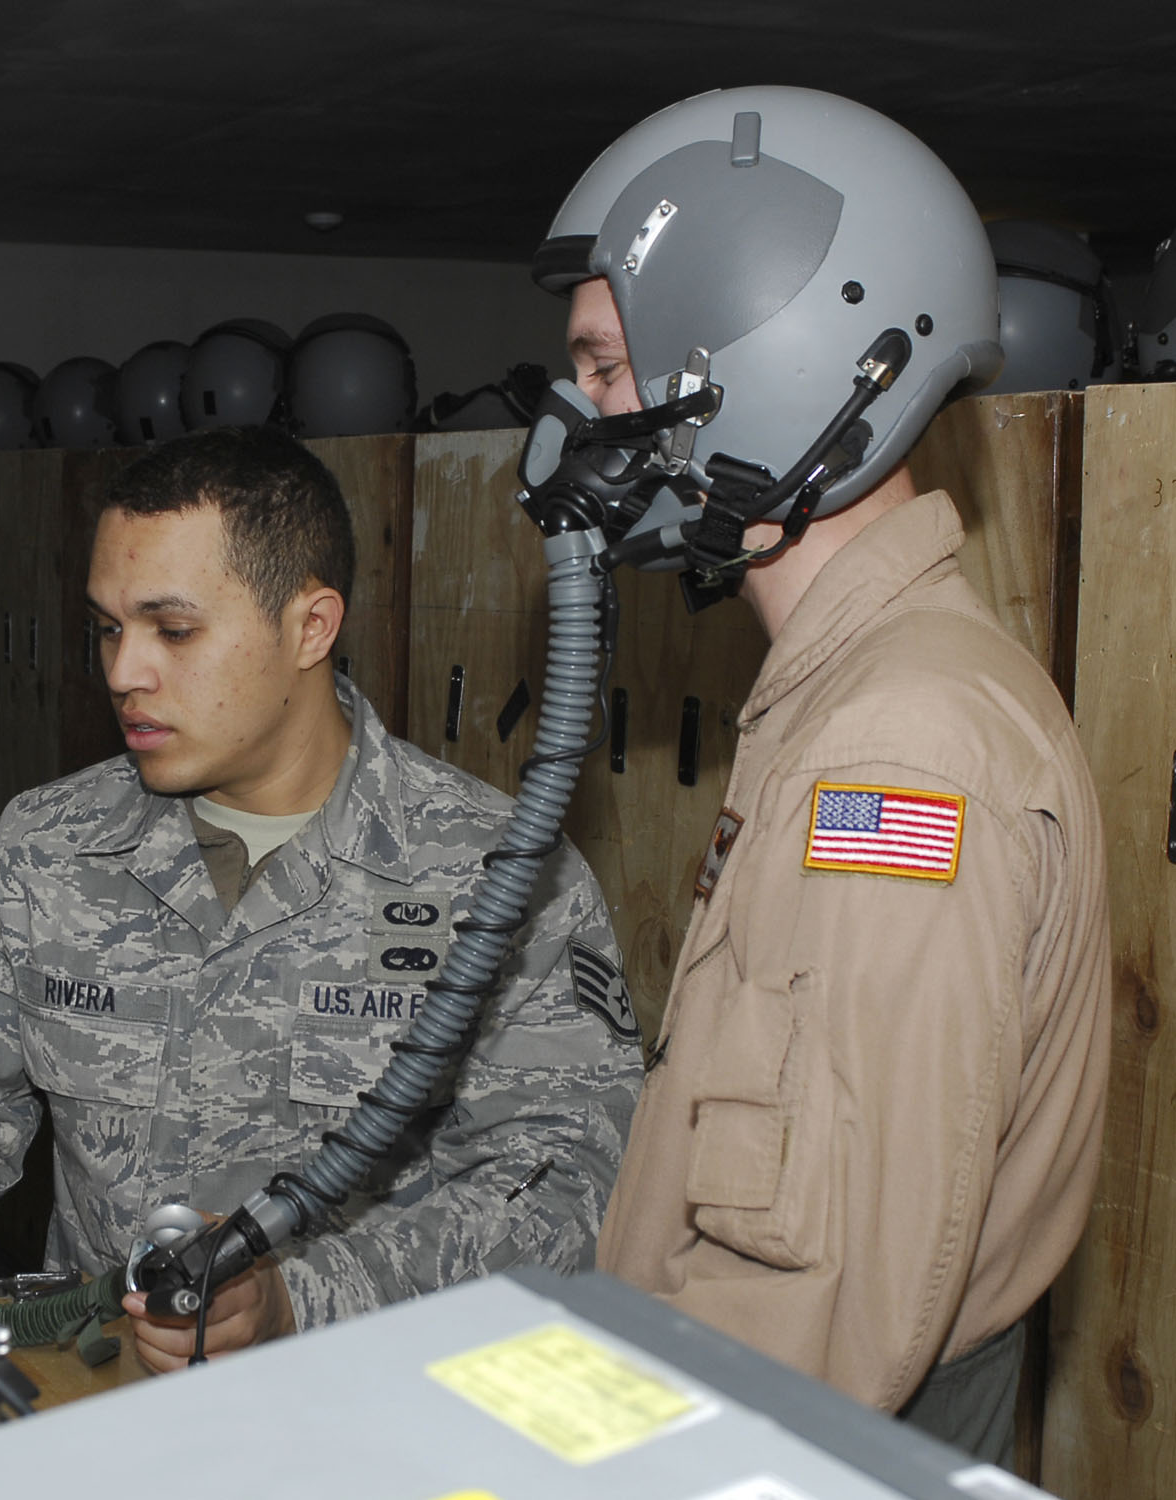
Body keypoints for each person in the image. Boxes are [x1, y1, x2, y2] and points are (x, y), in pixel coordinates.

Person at [0, 425, 643, 1372]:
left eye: (173, 630)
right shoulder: (49, 850)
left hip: (385, 1407)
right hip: (110, 1398)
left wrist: (300, 1303)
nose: (122, 672)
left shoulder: (498, 876)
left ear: (311, 626)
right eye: (108, 626)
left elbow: (562, 1188)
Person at [531, 85, 1111, 1461]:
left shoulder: (898, 746)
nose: (579, 420)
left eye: (609, 367)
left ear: (781, 355)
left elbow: (824, 1298)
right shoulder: (856, 689)